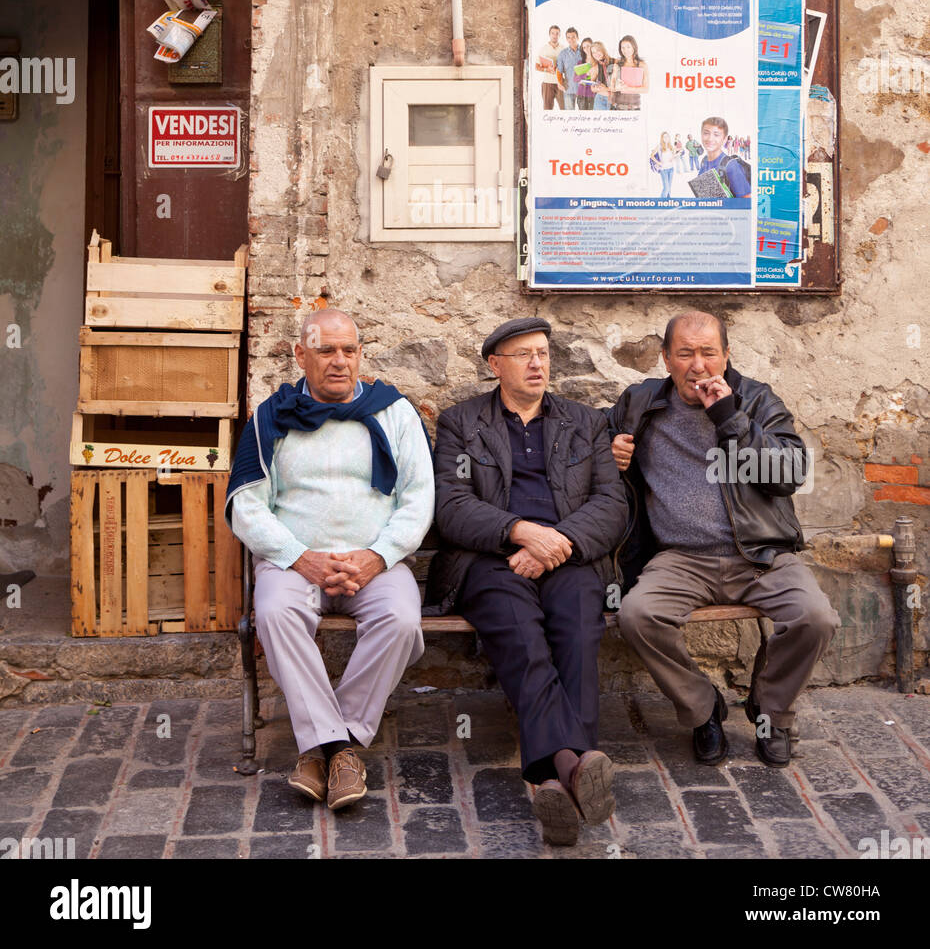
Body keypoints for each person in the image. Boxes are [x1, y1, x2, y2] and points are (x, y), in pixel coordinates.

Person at [425, 317, 629, 846]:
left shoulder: (585, 422)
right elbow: (450, 506)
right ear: (495, 366)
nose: (538, 363)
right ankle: (575, 761)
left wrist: (555, 543)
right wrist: (518, 531)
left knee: (579, 625)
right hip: (491, 558)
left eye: (542, 353)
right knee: (520, 632)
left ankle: (547, 776)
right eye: (523, 355)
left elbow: (611, 503)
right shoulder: (462, 423)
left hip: (569, 554)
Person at [608, 311, 839, 769]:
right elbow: (587, 436)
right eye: (686, 353)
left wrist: (729, 417)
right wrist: (608, 450)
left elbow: (788, 475)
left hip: (760, 553)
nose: (698, 365)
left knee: (816, 618)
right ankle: (703, 709)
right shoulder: (640, 402)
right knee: (637, 615)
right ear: (665, 359)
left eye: (708, 352)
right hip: (680, 558)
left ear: (726, 355)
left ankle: (770, 712)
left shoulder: (755, 400)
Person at [226, 309, 434, 811]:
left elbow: (419, 498)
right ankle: (338, 748)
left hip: (375, 561)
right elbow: (247, 506)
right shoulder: (272, 417)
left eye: (349, 350)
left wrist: (377, 556)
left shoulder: (394, 412)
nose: (339, 361)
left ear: (360, 353)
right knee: (274, 613)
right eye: (326, 351)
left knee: (402, 618)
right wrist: (300, 557)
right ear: (301, 355)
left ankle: (330, 747)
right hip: (293, 562)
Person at [696, 116, 751, 198]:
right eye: (706, 133)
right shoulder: (704, 161)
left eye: (716, 135)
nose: (710, 139)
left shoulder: (731, 165)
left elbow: (746, 199)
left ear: (725, 139)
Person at [609, 33, 649, 111]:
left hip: (634, 108)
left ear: (634, 47)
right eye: (623, 48)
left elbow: (646, 89)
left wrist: (628, 88)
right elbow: (611, 87)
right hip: (617, 107)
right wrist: (617, 88)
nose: (625, 50)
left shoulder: (642, 65)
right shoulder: (617, 65)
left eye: (628, 47)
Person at [556, 27, 584, 110]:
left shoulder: (584, 51)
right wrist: (559, 83)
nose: (571, 40)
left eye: (573, 37)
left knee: (584, 114)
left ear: (577, 38)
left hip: (582, 88)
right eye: (568, 37)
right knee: (569, 114)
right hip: (568, 88)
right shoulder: (562, 54)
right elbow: (559, 70)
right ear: (566, 39)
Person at [537, 23, 563, 110]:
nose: (555, 35)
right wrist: (547, 70)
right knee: (547, 110)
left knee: (564, 109)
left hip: (561, 82)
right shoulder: (543, 49)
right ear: (549, 34)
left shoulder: (564, 49)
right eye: (553, 33)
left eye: (557, 33)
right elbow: (537, 66)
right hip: (547, 83)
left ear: (559, 35)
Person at [589, 40, 614, 110]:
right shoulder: (595, 67)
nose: (596, 54)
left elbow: (619, 86)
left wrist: (606, 88)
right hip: (600, 100)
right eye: (593, 52)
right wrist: (595, 88)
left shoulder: (615, 62)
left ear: (603, 50)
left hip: (614, 100)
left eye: (598, 50)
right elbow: (592, 88)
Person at [651, 131, 676, 197]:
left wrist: (672, 158)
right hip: (663, 169)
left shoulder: (671, 146)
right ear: (662, 138)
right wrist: (658, 162)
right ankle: (661, 203)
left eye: (667, 136)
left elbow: (673, 155)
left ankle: (668, 202)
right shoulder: (659, 146)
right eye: (664, 136)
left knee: (669, 188)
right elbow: (652, 156)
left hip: (671, 169)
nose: (666, 138)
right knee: (666, 188)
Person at [575, 36, 596, 110]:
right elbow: (575, 78)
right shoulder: (580, 63)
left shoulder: (597, 61)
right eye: (584, 47)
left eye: (588, 46)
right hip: (582, 95)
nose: (586, 49)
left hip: (594, 95)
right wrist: (586, 74)